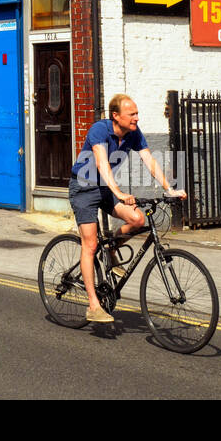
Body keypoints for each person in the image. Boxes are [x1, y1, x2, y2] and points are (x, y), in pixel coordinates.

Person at [69, 94, 186, 324]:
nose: (136, 118)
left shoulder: (133, 133)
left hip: (104, 187)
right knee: (90, 244)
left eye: (137, 113)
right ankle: (93, 305)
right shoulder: (99, 130)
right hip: (83, 187)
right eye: (131, 114)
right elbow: (102, 164)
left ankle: (111, 249)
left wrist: (169, 188)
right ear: (116, 116)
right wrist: (120, 193)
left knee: (137, 220)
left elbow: (149, 161)